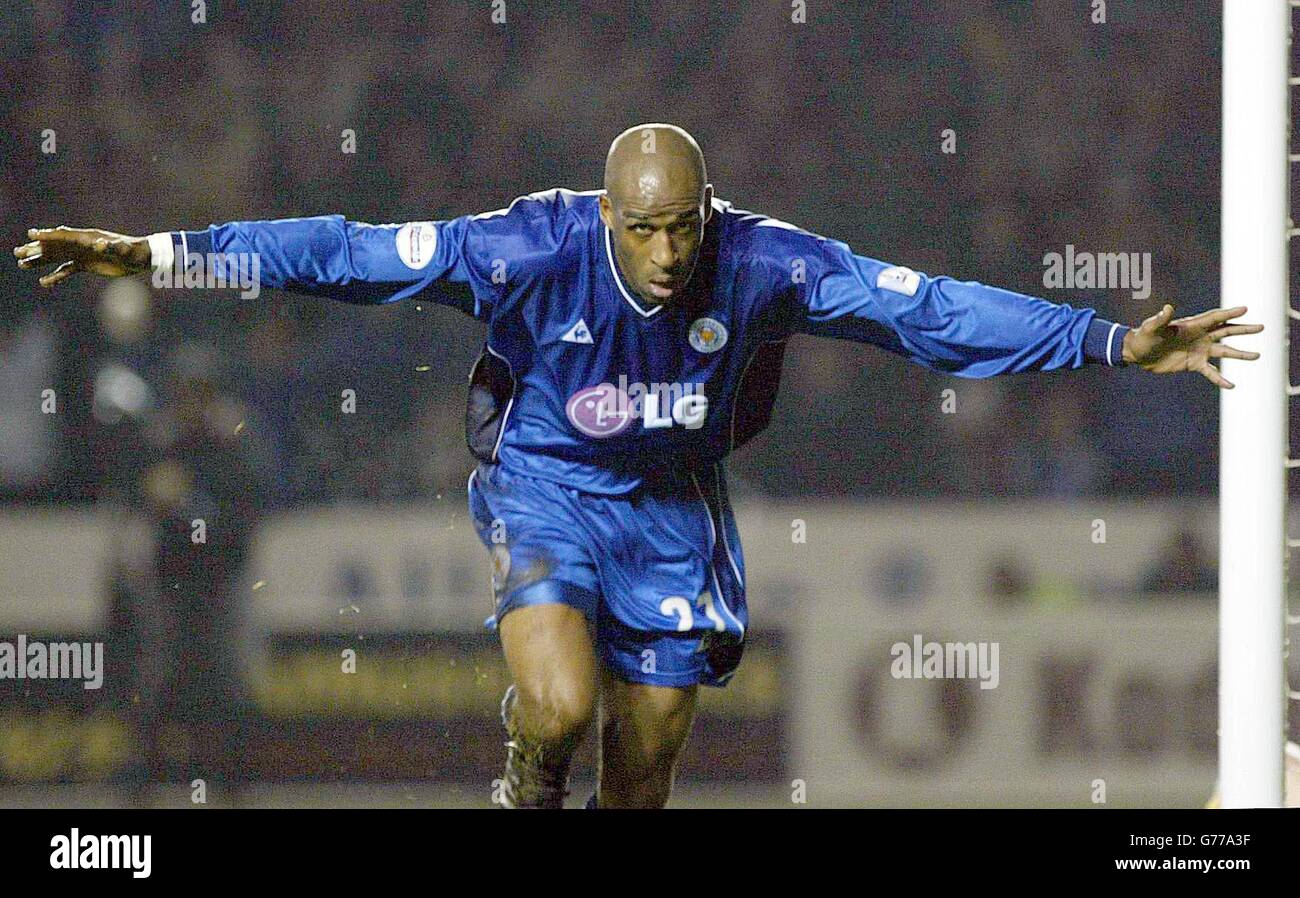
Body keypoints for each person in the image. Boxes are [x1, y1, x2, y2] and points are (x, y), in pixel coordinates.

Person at [12, 123, 1263, 809]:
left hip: (674, 507)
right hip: (547, 482)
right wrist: (154, 254)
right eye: (644, 228)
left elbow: (928, 311)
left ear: (708, 211)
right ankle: (521, 772)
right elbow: (336, 250)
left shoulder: (766, 261)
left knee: (646, 761)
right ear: (606, 215)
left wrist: (1108, 338)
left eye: (684, 225)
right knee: (559, 707)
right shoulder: (523, 247)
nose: (667, 253)